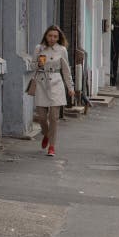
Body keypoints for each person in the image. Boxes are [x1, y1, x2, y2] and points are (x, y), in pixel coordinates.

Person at [31, 25, 74, 157]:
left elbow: (66, 70)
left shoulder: (62, 50)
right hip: (42, 83)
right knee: (42, 117)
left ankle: (52, 146)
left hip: (56, 82)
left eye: (55, 36)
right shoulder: (39, 48)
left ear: (59, 37)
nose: (52, 38)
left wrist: (70, 87)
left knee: (54, 117)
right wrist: (37, 64)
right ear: (46, 36)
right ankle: (46, 134)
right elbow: (32, 65)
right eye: (50, 36)